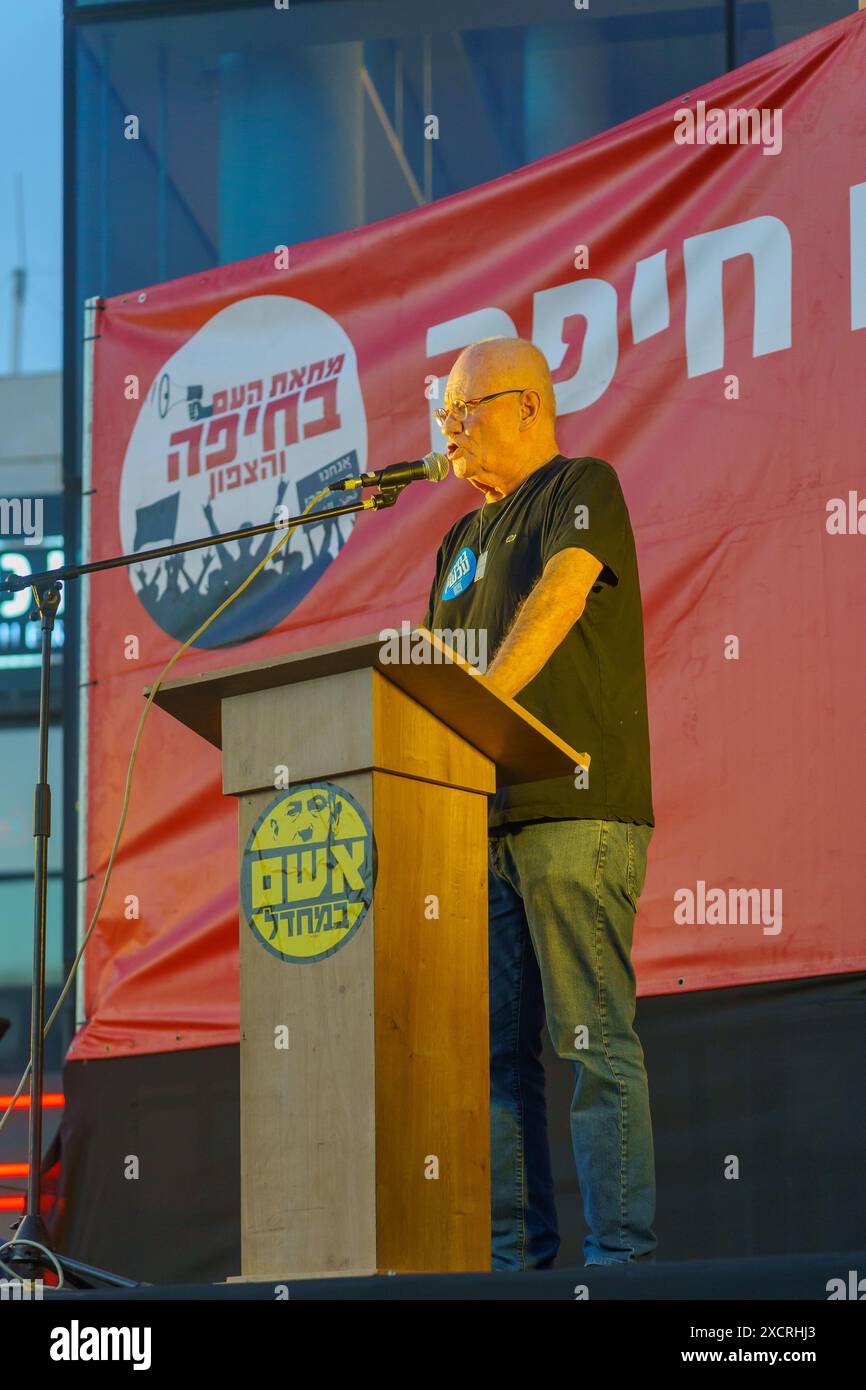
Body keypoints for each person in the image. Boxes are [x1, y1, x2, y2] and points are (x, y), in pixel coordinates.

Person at [421, 336, 656, 1269]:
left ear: (526, 406)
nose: (450, 431)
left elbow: (561, 597)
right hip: (479, 825)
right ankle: (516, 1272)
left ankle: (622, 1267)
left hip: (575, 811)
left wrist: (475, 712)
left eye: (463, 411)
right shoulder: (456, 539)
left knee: (591, 1045)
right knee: (495, 1065)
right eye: (443, 417)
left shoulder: (582, 484)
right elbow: (432, 672)